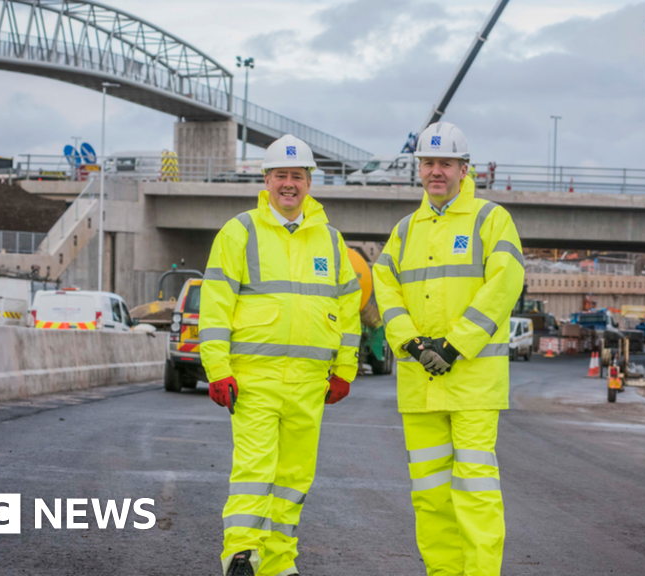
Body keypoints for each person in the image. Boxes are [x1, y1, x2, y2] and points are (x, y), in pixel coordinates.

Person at [198, 134, 362, 576]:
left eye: (297, 176)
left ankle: (278, 564)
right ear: (266, 180)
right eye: (280, 176)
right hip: (254, 379)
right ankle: (242, 555)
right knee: (254, 470)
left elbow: (348, 309)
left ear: (310, 182)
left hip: (310, 383)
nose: (288, 184)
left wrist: (345, 369)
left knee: (292, 479)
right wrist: (217, 368)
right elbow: (215, 306)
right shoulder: (241, 232)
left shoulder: (330, 241)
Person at [372, 121, 525, 575]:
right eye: (429, 163)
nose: (436, 172)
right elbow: (387, 290)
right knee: (430, 494)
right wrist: (413, 344)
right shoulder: (404, 231)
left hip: (473, 383)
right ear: (418, 169)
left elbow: (505, 282)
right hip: (420, 385)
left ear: (464, 169)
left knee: (475, 490)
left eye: (446, 164)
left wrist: (456, 345)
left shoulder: (489, 219)